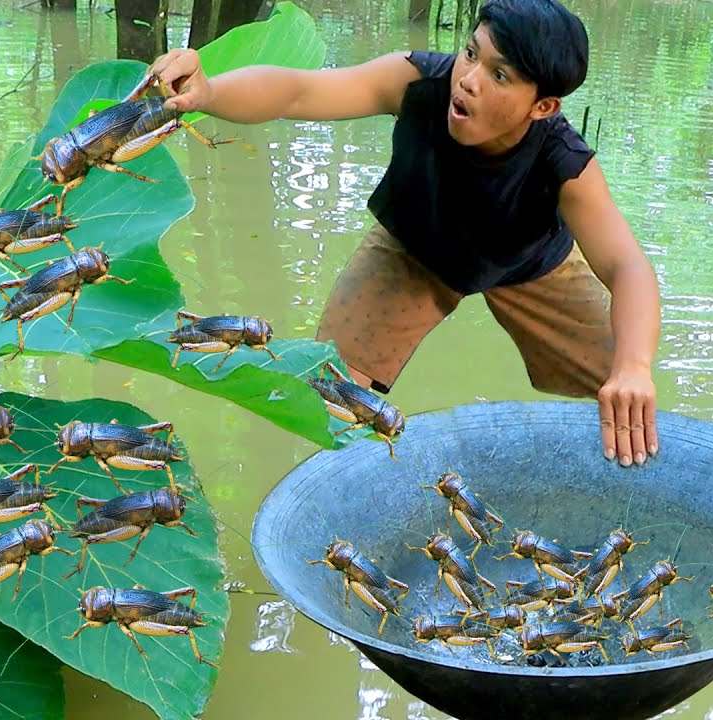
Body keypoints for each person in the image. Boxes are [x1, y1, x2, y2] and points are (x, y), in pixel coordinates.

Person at [145, 0, 661, 467]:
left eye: (499, 75)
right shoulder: (417, 82)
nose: (469, 80)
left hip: (528, 264)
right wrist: (209, 91)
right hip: (413, 249)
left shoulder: (563, 160)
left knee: (624, 396)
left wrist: (635, 366)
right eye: (470, 54)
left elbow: (627, 267)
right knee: (330, 395)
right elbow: (299, 92)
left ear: (542, 105)